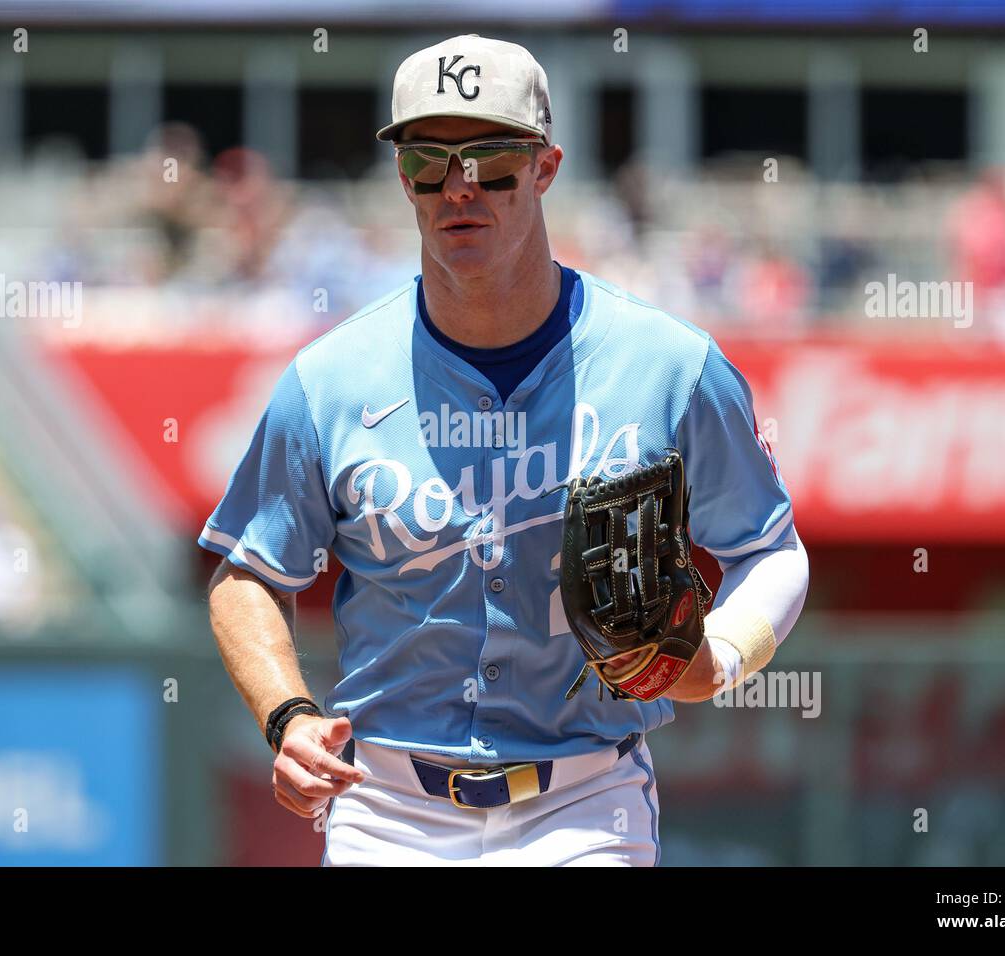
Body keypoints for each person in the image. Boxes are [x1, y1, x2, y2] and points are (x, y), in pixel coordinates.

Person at [201, 34, 809, 866]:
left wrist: (725, 656)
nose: (460, 188)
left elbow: (771, 549)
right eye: (428, 161)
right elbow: (247, 571)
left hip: (584, 801)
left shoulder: (668, 364)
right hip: (385, 810)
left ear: (546, 167)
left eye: (490, 160)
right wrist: (287, 714)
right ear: (403, 177)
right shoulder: (329, 379)